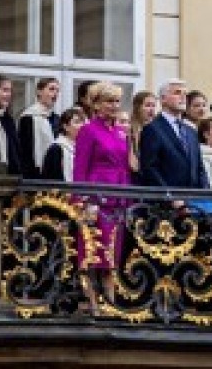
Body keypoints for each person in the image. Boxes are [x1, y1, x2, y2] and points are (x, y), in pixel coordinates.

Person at [72, 82, 133, 308]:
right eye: (109, 101)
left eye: (117, 101)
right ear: (96, 104)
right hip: (97, 198)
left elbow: (127, 166)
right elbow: (80, 167)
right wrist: (82, 200)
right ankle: (93, 305)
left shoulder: (120, 131)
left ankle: (111, 303)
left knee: (111, 257)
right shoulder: (88, 130)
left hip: (118, 198)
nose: (114, 106)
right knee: (91, 254)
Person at [138, 79, 208, 189]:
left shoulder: (191, 131)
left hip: (194, 200)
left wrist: (205, 196)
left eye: (185, 94)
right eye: (177, 92)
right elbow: (150, 169)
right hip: (168, 201)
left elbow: (199, 168)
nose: (183, 97)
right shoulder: (152, 129)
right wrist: (170, 198)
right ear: (163, 99)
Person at [18, 78, 60, 179]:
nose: (55, 94)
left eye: (57, 91)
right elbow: (25, 149)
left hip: (53, 170)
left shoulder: (57, 118)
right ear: (39, 92)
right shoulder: (27, 117)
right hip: (33, 171)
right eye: (51, 89)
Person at [42, 107, 86, 182]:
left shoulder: (84, 147)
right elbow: (51, 179)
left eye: (83, 122)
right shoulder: (57, 148)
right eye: (77, 122)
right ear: (66, 127)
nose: (82, 125)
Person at [128, 90, 157, 184]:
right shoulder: (130, 130)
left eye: (154, 105)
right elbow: (133, 164)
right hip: (135, 177)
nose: (151, 109)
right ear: (138, 107)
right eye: (148, 105)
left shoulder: (158, 130)